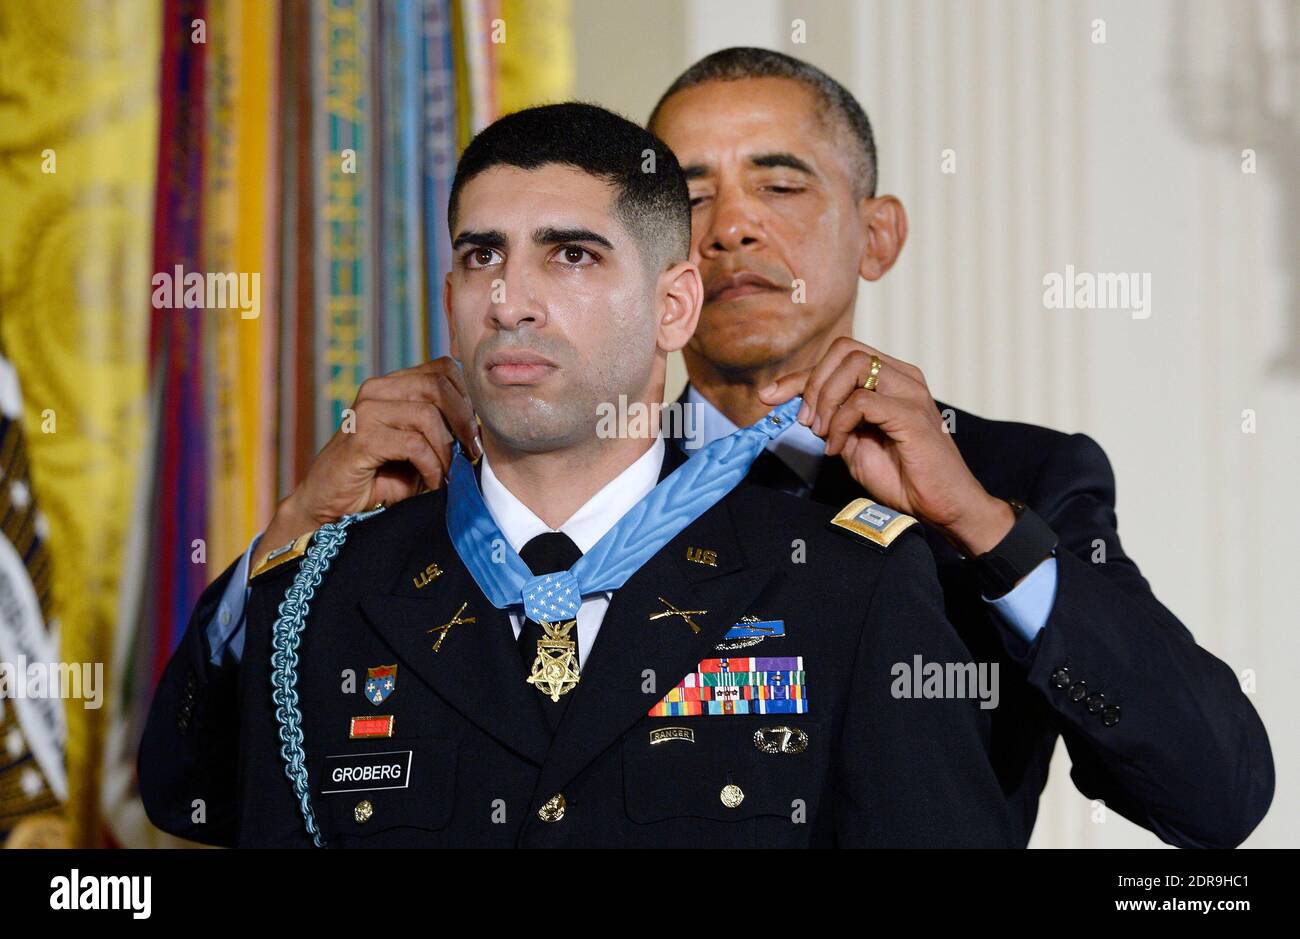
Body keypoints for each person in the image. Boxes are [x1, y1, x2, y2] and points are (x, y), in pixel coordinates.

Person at [156, 48, 1275, 850]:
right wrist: (297, 535)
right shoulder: (495, 476)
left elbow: (1213, 797)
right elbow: (196, 794)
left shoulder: (1009, 481)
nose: (729, 225)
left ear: (875, 234)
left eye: (780, 184)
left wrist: (978, 526)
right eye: (685, 194)